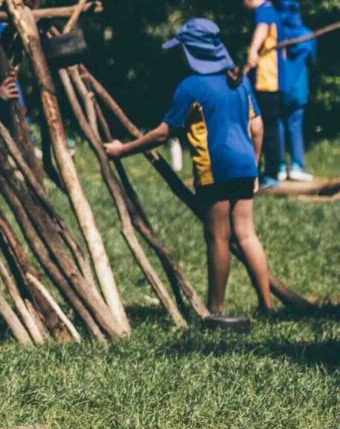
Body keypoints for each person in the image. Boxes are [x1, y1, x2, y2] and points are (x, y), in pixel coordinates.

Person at [103, 18, 275, 316]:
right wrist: (255, 167)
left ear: (192, 52)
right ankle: (267, 305)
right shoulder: (239, 81)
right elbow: (257, 128)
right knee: (246, 234)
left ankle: (216, 309)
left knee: (218, 236)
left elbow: (162, 134)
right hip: (245, 164)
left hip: (216, 168)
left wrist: (122, 150)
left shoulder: (191, 87)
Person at [234, 0, 285, 189]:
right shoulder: (274, 11)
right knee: (270, 126)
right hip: (273, 79)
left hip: (267, 80)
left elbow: (262, 29)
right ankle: (270, 171)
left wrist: (252, 51)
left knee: (267, 127)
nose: (241, 4)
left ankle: (270, 174)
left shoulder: (264, 12)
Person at [277, 0, 317, 182]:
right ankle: (296, 166)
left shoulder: (277, 34)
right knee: (295, 126)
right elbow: (312, 61)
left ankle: (278, 166)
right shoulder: (307, 35)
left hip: (277, 86)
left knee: (277, 126)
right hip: (298, 87)